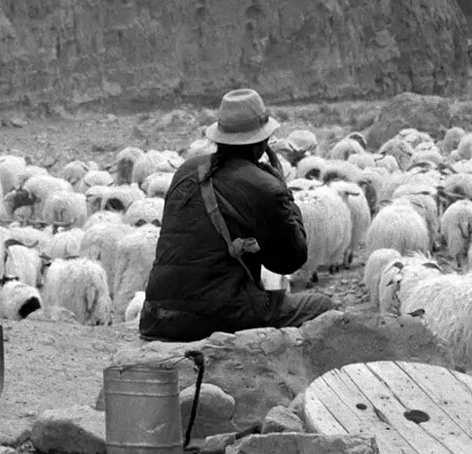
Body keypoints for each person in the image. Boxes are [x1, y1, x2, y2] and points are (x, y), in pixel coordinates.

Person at [138, 89, 338, 341]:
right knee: (322, 308)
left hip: (157, 315)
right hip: (220, 314)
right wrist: (284, 192)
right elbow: (289, 260)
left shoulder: (186, 171)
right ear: (262, 142)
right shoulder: (265, 187)